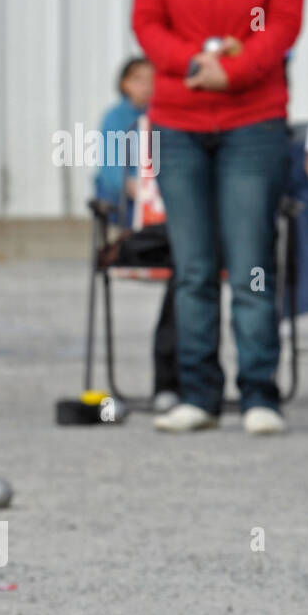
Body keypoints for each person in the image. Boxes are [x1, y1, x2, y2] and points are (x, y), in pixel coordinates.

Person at [132, 0, 303, 435]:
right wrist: (189, 64)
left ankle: (259, 392)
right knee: (195, 266)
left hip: (251, 124)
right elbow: (147, 22)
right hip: (179, 124)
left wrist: (232, 71)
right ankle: (196, 392)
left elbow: (280, 24)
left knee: (252, 262)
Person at [93, 57, 179, 410]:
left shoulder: (172, 118)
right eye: (140, 79)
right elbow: (111, 174)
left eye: (154, 79)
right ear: (125, 83)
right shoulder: (118, 120)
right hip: (137, 217)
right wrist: (138, 189)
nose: (149, 86)